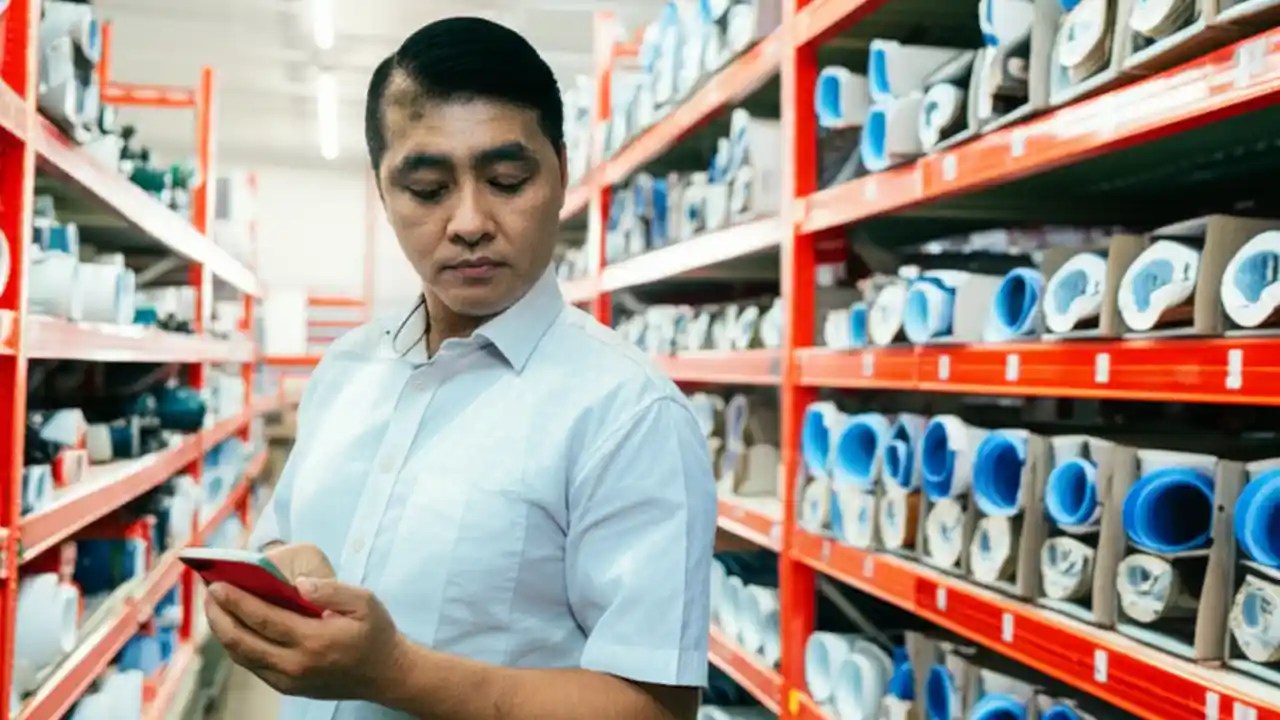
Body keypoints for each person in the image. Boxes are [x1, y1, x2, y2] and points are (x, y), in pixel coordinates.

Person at [202, 14, 717, 720]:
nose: (470, 221)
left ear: (561, 173)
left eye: (506, 180)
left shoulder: (628, 415)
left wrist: (394, 672)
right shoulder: (347, 370)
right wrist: (284, 580)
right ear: (383, 193)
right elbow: (284, 538)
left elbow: (655, 708)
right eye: (427, 189)